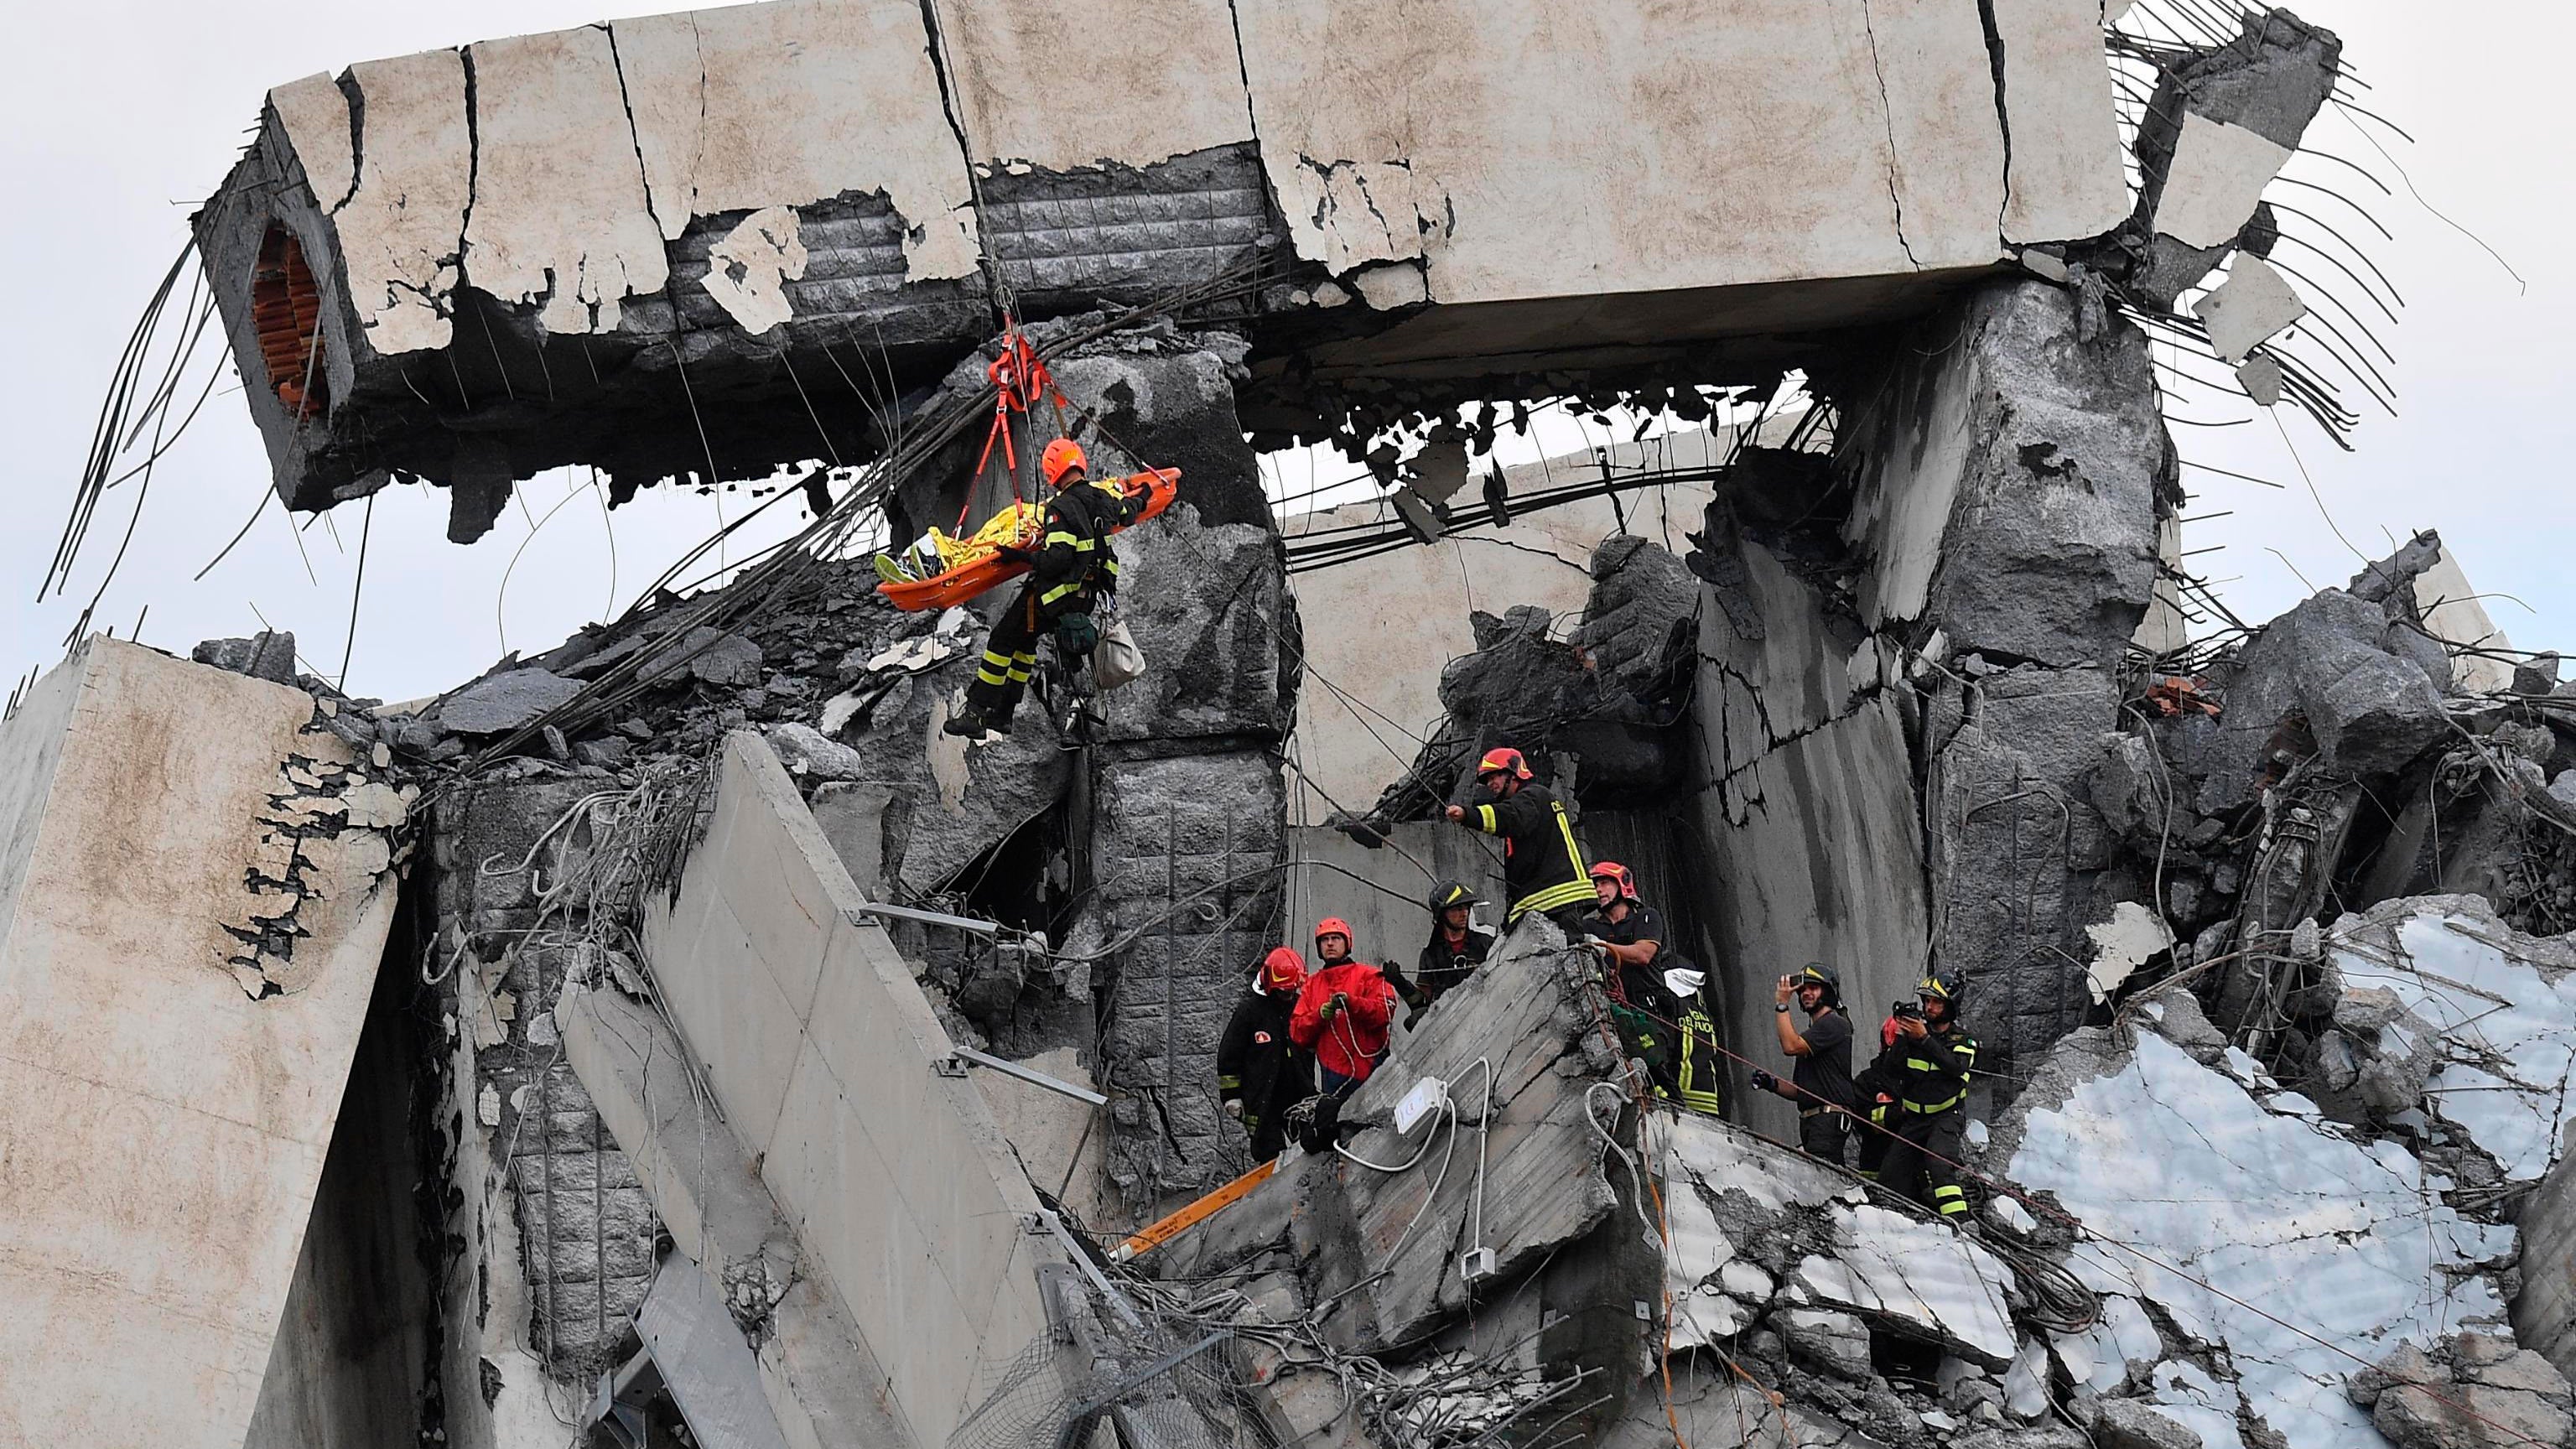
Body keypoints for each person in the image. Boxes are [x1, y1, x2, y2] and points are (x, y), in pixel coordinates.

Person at [946, 438, 1148, 737]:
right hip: (1086, 597)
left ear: (1052, 471)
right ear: (1080, 462)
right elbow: (1127, 510)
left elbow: (1057, 559)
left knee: (1002, 640)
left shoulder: (1059, 508)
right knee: (1025, 642)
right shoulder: (1102, 498)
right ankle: (1003, 714)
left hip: (1054, 596)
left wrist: (1020, 557)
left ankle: (976, 712)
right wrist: (1144, 494)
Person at [1852, 969, 1978, 1221]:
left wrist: (1924, 1039)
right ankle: (1907, 1228)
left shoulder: (1963, 1040)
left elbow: (1955, 1067)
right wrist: (1902, 1036)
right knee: (1890, 1174)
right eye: (1927, 1001)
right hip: (1914, 1119)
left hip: (1945, 1116)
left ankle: (1963, 1227)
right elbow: (1891, 1070)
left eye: (1936, 1002)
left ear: (1951, 1005)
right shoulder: (1912, 1037)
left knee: (1939, 1164)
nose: (1929, 1007)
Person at [1441, 747, 1592, 931]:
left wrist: (1468, 815)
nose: (1490, 783)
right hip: (1550, 897)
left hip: (1557, 898)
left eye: (1495, 776)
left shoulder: (1531, 797)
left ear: (1513, 773)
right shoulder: (1533, 799)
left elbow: (1508, 817)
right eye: (1487, 779)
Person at [1578, 861, 1682, 1094]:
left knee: (1660, 1078)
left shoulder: (1646, 918)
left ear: (1622, 885)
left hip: (1649, 1011)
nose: (1598, 890)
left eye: (1604, 883)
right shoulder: (1589, 926)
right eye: (1594, 885)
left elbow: (1643, 954)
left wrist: (1602, 948)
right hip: (1612, 1013)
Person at [1216, 947, 1317, 1161]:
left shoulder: (1300, 1007)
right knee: (1269, 1157)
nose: (1288, 994)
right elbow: (1229, 1056)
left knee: (1311, 1149)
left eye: (1292, 989)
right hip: (1263, 1101)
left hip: (1299, 1096)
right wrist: (1231, 1097)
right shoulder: (1250, 1012)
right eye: (1284, 990)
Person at [1749, 963, 1857, 1163]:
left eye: (1813, 988)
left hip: (1827, 1122)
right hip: (1813, 1123)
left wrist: (1782, 1004)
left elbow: (1790, 1046)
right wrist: (1771, 1084)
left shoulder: (1833, 1024)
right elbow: (1801, 1091)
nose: (1806, 993)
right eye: (1802, 989)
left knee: (1822, 1183)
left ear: (1828, 992)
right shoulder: (1813, 1036)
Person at [1290, 917, 1398, 1099]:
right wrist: (1319, 1016)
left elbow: (1384, 1013)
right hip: (1333, 1074)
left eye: (1336, 938)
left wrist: (1352, 1003)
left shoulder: (1370, 975)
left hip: (1372, 1068)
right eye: (1325, 940)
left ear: (1347, 943)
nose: (1330, 943)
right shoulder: (1312, 985)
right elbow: (1297, 1032)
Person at [1383, 880, 1495, 1027]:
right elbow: (1421, 1003)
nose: (1464, 913)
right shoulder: (1430, 955)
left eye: (1467, 908)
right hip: (1449, 1026)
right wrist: (1399, 982)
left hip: (1487, 1014)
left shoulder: (1485, 943)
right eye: (1457, 909)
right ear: (1442, 914)